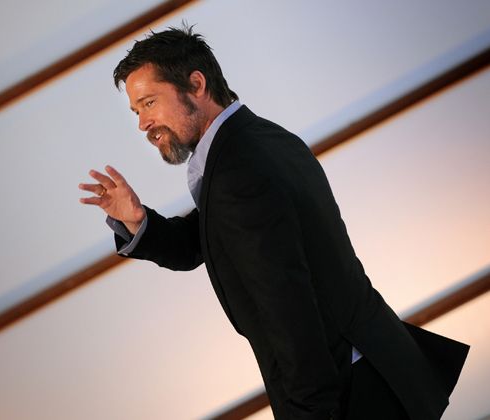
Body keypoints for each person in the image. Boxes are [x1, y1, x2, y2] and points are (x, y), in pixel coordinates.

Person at [79, 26, 468, 420]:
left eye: (149, 103)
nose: (143, 123)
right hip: (378, 370)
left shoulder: (238, 171)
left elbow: (288, 309)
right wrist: (138, 220)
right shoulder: (259, 140)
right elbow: (203, 240)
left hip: (350, 391)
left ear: (196, 84)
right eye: (137, 111)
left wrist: (311, 413)